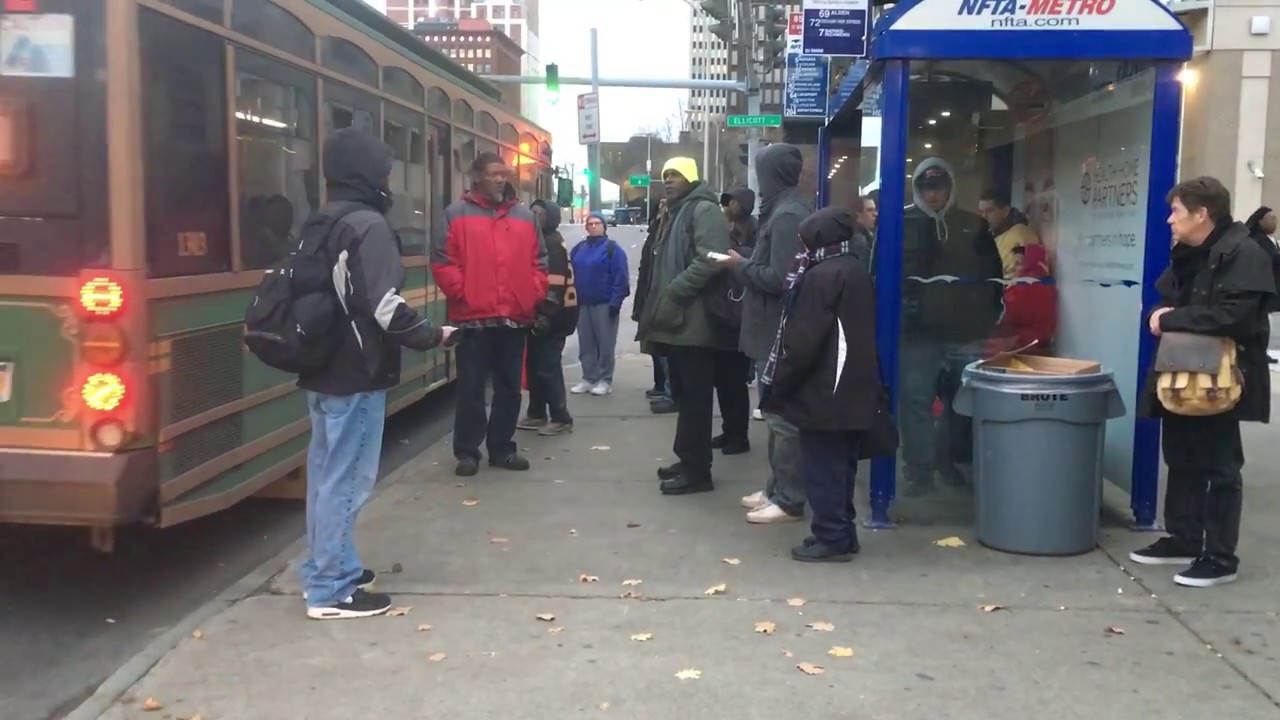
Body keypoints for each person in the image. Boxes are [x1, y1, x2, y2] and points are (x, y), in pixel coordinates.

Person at [297, 128, 454, 619]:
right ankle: (331, 590)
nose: (390, 178)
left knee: (324, 476)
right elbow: (386, 309)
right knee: (346, 481)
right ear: (367, 173)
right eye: (384, 169)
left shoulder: (322, 220)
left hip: (323, 368)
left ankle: (329, 565)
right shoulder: (368, 225)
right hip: (358, 370)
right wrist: (435, 336)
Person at [1132, 177, 1275, 588]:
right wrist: (1160, 311)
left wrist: (1170, 318)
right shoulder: (1190, 252)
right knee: (1181, 456)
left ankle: (1219, 556)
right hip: (1182, 372)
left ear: (1201, 214)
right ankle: (1184, 537)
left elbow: (1236, 317)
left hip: (1223, 379)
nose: (1169, 219)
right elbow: (1164, 297)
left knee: (1220, 465)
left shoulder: (1244, 252)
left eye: (1176, 211)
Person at [760, 207, 880, 563]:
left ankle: (831, 537)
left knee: (822, 467)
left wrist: (779, 385)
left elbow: (802, 342)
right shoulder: (854, 268)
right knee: (841, 465)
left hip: (826, 390)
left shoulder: (820, 276)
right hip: (851, 387)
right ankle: (843, 532)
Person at [432, 152, 547, 477]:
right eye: (494, 174)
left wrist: (531, 294)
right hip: (473, 319)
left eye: (504, 174)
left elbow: (539, 261)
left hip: (515, 318)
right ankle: (468, 452)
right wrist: (464, 294)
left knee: (510, 387)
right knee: (470, 389)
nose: (501, 179)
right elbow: (442, 261)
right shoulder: (455, 214)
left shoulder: (525, 217)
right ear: (477, 176)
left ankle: (502, 448)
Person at [714, 144, 811, 523]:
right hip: (770, 328)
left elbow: (781, 278)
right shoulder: (782, 210)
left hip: (777, 331)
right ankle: (776, 487)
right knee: (772, 413)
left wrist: (739, 265)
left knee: (781, 417)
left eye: (761, 171)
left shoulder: (787, 216)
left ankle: (788, 498)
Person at [899, 157, 1001, 497]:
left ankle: (946, 462)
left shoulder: (973, 225)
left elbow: (993, 277)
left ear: (950, 187)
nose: (932, 196)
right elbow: (880, 277)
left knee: (959, 404)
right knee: (915, 403)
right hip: (916, 333)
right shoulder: (901, 221)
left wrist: (984, 320)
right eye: (926, 189)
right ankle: (920, 469)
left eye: (938, 188)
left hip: (964, 332)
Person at [637, 157, 739, 495]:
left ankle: (698, 471)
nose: (669, 180)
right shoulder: (677, 209)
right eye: (666, 175)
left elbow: (715, 257)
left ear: (692, 178)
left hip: (693, 320)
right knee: (684, 394)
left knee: (695, 398)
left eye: (676, 175)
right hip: (677, 320)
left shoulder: (703, 210)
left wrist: (676, 289)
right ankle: (688, 459)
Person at [519, 199, 578, 435]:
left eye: (540, 214)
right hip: (540, 315)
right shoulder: (540, 240)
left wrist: (545, 315)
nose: (534, 217)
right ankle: (536, 413)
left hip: (554, 317)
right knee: (535, 365)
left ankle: (561, 417)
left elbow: (554, 285)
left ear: (551, 218)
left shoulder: (552, 243)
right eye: (532, 212)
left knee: (547, 367)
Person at [569, 212, 630, 396]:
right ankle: (589, 377)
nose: (593, 226)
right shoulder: (578, 248)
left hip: (604, 303)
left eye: (597, 223)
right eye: (590, 223)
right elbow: (570, 274)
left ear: (604, 226)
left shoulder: (613, 249)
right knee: (586, 344)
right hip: (583, 303)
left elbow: (621, 277)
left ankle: (604, 379)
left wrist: (615, 302)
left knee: (605, 344)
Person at [636, 198, 677, 414]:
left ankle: (671, 392)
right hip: (651, 293)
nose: (663, 209)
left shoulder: (672, 231)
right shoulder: (656, 232)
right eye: (660, 206)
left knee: (666, 349)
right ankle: (661, 386)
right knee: (655, 345)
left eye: (666, 205)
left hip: (666, 294)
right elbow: (646, 268)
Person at [987, 244, 1057, 352]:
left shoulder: (1026, 288)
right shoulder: (1044, 284)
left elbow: (1005, 315)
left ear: (1030, 263)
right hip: (1035, 343)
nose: (1013, 268)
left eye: (1018, 263)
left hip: (1021, 345)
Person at [977, 187, 1041, 280]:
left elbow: (1018, 275)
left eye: (989, 211)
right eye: (981, 212)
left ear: (1005, 211)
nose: (984, 216)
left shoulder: (1020, 233)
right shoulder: (991, 235)